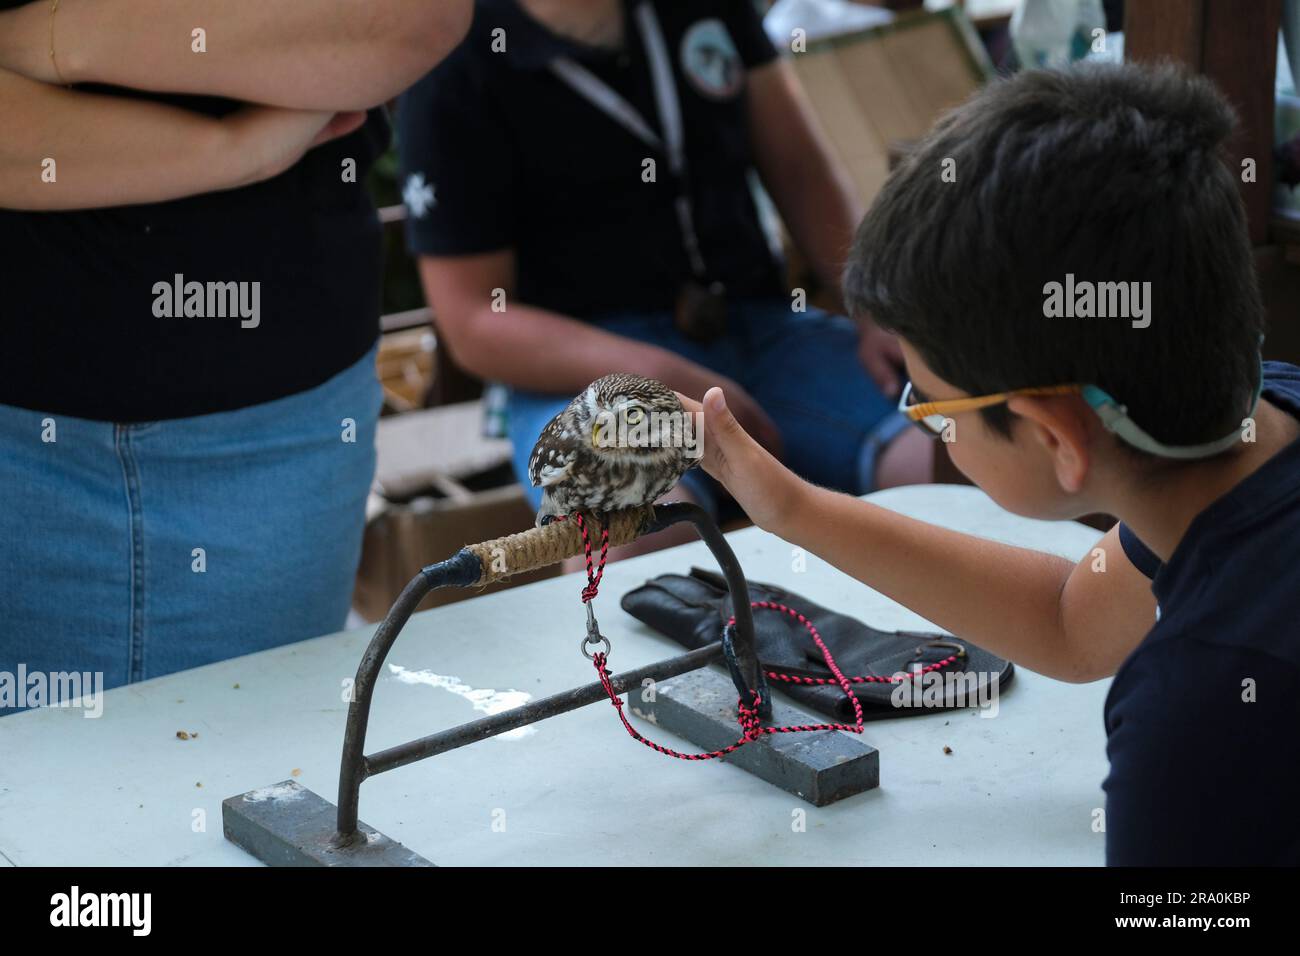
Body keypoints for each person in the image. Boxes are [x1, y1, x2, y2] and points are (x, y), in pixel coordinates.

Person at [681, 62, 1300, 865]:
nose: (925, 420)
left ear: (1055, 438)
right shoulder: (1257, 428)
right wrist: (789, 506)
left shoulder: (1200, 710)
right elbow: (1074, 622)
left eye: (932, 405)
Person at [0, 0, 472, 704]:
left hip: (280, 431)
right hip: (25, 437)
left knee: (261, 785)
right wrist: (239, 151)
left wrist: (53, 40)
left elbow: (411, 20)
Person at [399, 0, 932, 558]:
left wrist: (875, 302)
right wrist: (661, 379)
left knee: (950, 449)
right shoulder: (455, 51)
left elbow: (800, 168)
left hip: (759, 328)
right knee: (634, 538)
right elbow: (475, 321)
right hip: (584, 371)